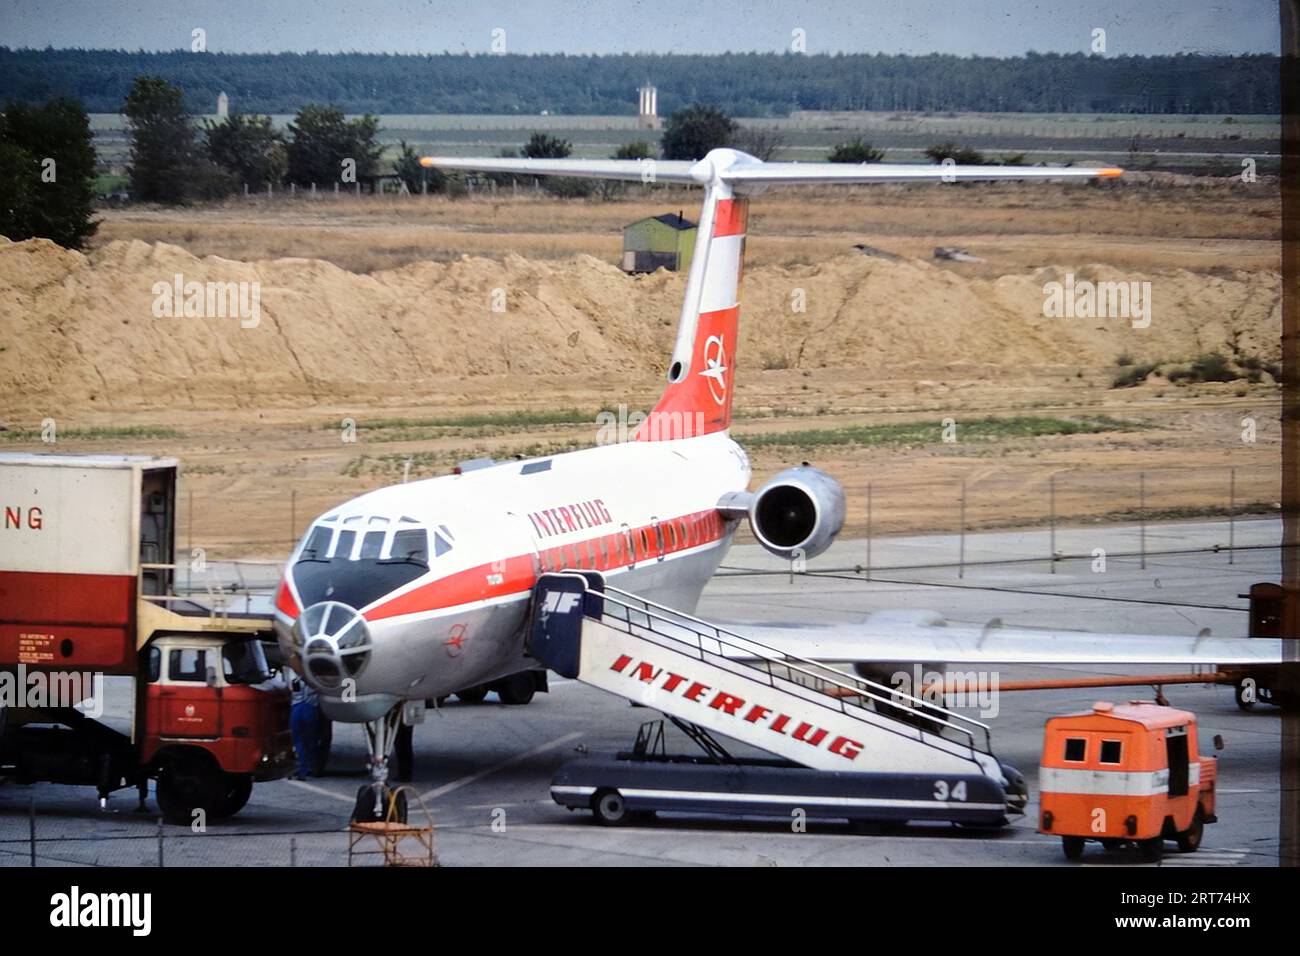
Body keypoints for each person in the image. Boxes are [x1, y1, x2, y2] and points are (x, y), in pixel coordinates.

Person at [289, 672, 320, 780]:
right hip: (310, 708)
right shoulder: (316, 679)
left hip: (296, 708)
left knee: (298, 741)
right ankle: (310, 766)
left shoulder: (294, 678)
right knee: (310, 741)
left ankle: (300, 767)